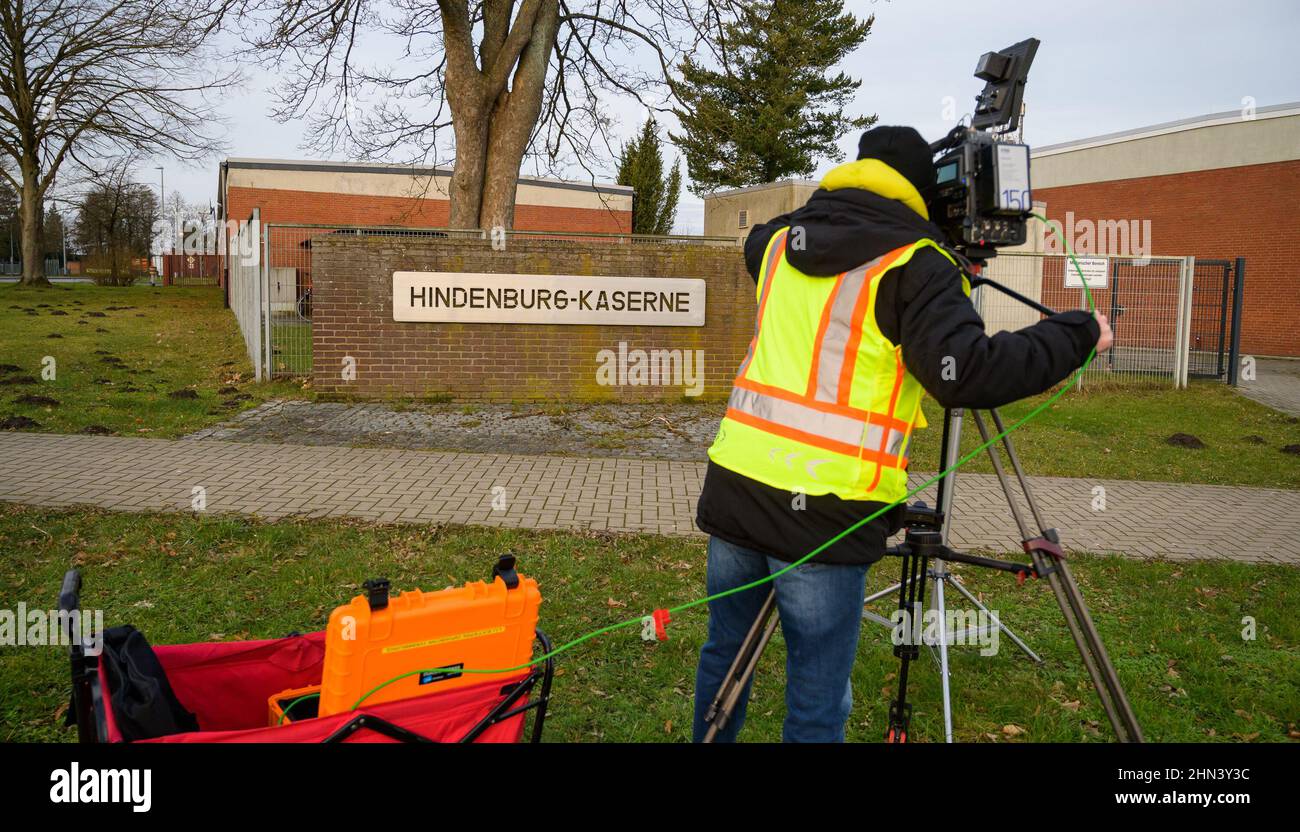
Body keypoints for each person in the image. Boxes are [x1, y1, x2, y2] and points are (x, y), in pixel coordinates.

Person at [693, 125, 1113, 743]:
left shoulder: (780, 243)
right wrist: (1076, 335)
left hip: (736, 490)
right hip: (825, 512)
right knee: (815, 694)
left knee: (723, 659)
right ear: (922, 195)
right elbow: (966, 372)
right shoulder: (918, 263)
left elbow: (760, 238)